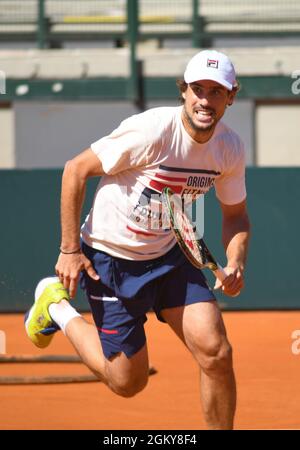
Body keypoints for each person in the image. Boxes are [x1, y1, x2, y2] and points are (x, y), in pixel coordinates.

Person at [25, 50, 250, 430]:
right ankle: (56, 308)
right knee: (128, 382)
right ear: (184, 91)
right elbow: (75, 170)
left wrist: (236, 259)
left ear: (230, 96)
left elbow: (236, 214)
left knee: (217, 353)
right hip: (111, 260)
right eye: (198, 89)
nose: (205, 101)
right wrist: (69, 250)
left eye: (216, 91)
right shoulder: (151, 131)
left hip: (169, 256)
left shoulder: (229, 147)